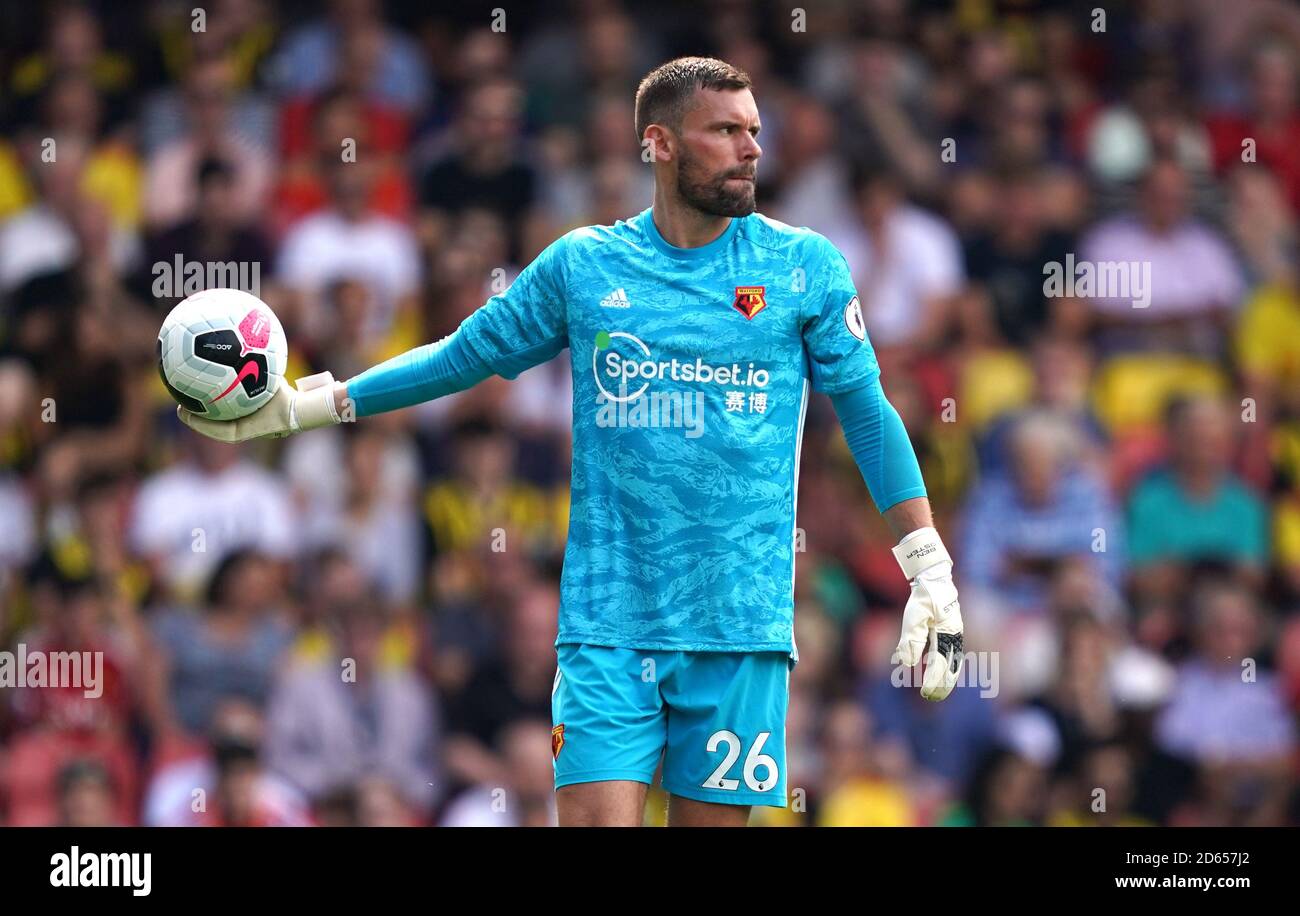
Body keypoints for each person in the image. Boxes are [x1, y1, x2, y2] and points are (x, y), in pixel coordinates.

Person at [176, 57, 964, 827]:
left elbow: (868, 413)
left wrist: (928, 569)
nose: (752, 148)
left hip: (738, 628)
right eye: (724, 130)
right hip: (608, 625)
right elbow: (462, 355)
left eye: (754, 130)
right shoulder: (585, 266)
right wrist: (314, 405)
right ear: (658, 143)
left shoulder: (804, 267)